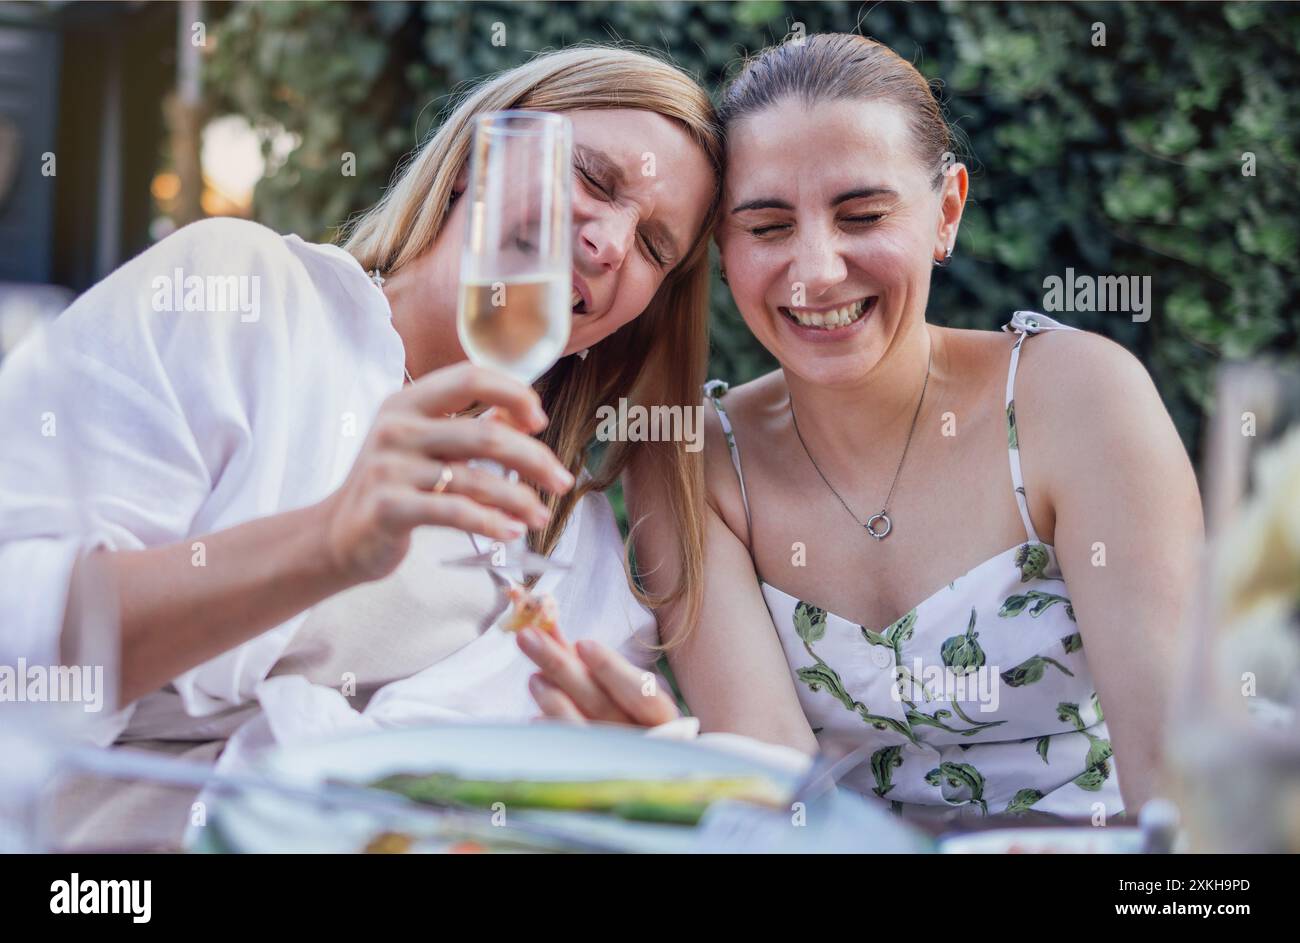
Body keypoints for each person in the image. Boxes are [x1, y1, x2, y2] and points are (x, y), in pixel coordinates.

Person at [0, 45, 721, 849]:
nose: (611, 242)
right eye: (591, 177)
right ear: (477, 164)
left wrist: (619, 786)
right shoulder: (236, 299)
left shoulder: (578, 554)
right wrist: (324, 543)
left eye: (655, 246)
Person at [518, 33, 1203, 822]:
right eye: (768, 227)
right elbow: (776, 801)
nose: (817, 271)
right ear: (723, 249)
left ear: (946, 212)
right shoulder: (690, 459)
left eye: (863, 215)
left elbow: (1182, 788)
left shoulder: (1078, 396)